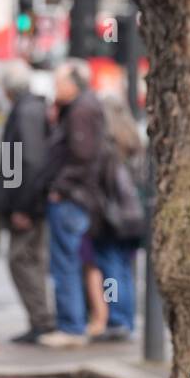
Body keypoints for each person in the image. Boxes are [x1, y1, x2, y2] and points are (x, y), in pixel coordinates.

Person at [37, 59, 109, 348]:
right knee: (72, 261)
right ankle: (74, 323)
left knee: (65, 262)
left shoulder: (80, 111)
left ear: (72, 84)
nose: (55, 89)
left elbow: (83, 157)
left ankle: (71, 326)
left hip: (71, 198)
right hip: (77, 196)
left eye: (58, 83)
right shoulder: (81, 108)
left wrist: (59, 188)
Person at [0, 61, 55, 343]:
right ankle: (41, 319)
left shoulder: (26, 112)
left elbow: (29, 161)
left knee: (22, 259)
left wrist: (23, 207)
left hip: (27, 203)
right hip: (28, 199)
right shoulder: (29, 109)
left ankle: (41, 319)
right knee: (29, 259)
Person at [88, 92, 144, 342]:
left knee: (111, 271)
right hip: (134, 216)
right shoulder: (134, 142)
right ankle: (126, 319)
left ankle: (118, 319)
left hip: (113, 217)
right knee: (123, 269)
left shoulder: (106, 146)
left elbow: (106, 186)